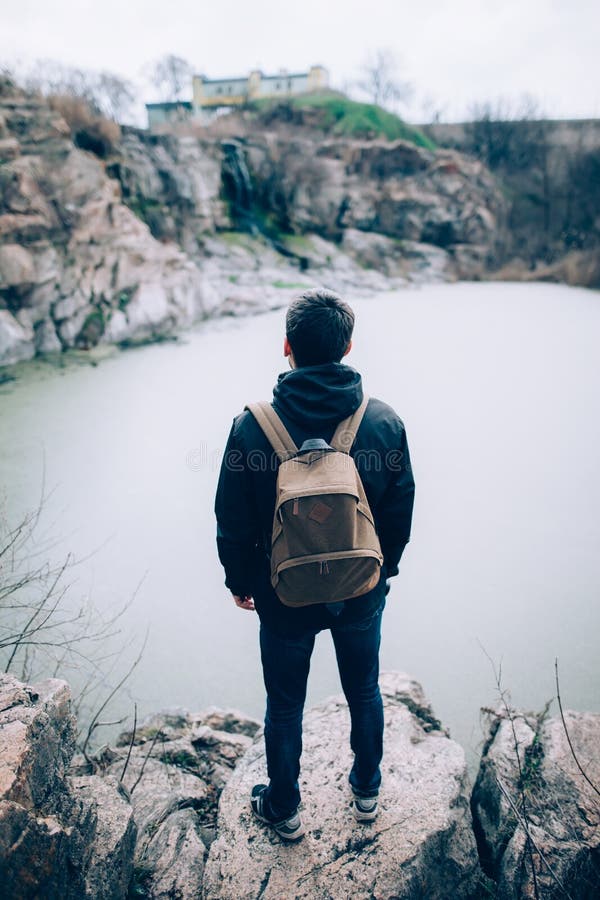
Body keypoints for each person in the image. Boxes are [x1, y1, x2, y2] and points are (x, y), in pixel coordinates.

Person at [215, 288, 415, 841]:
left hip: (282, 594)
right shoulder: (382, 423)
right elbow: (400, 509)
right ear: (348, 346)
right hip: (360, 589)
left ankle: (284, 808)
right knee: (365, 690)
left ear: (286, 347)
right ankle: (367, 791)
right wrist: (383, 572)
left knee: (284, 706)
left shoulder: (251, 428)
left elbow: (231, 519)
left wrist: (240, 581)